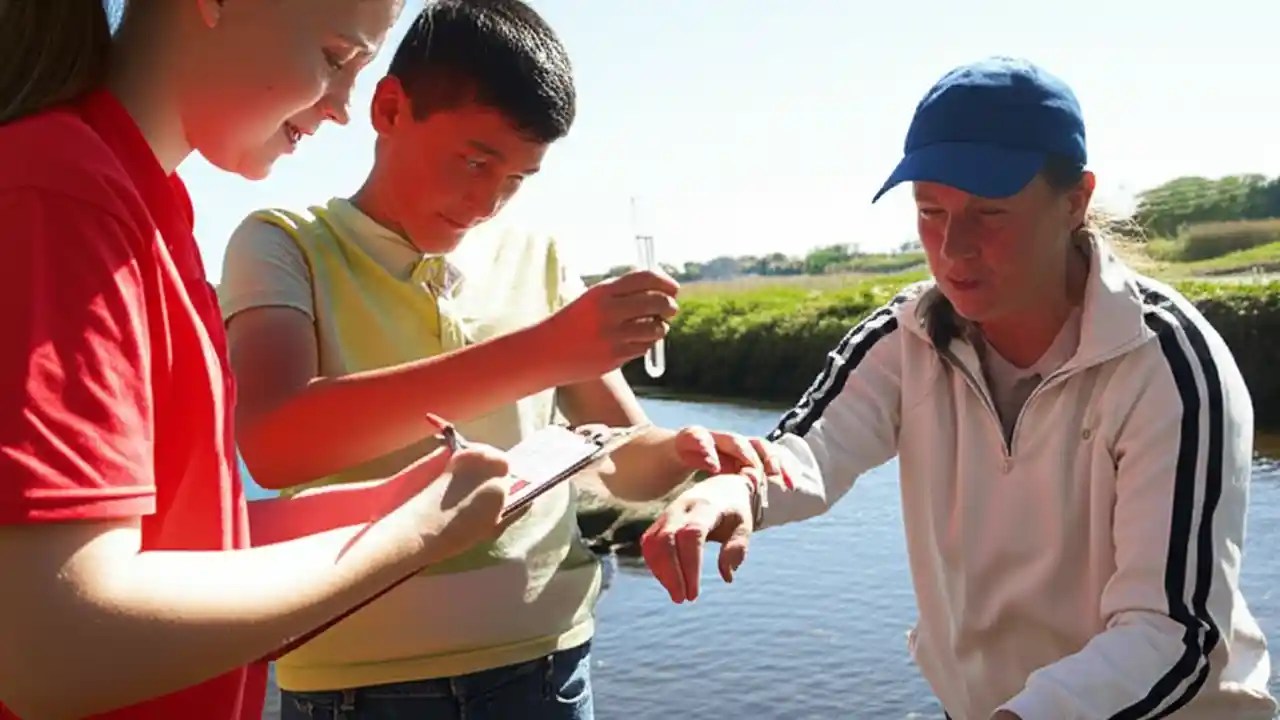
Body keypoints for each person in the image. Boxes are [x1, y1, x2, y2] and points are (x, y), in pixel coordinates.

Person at [640, 56, 1278, 719]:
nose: (953, 248)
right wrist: (736, 488)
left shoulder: (1167, 363)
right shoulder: (906, 336)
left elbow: (1171, 634)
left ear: (1075, 201)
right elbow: (810, 449)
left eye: (990, 212)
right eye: (930, 211)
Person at [216, 2, 767, 718]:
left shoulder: (539, 260)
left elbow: (617, 454)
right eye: (475, 160)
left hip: (548, 669)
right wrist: (544, 351)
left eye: (517, 178)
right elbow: (275, 442)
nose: (487, 201)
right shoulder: (282, 244)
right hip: (352, 683)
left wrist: (686, 458)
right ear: (389, 108)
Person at [0, 1, 536, 718]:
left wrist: (382, 510)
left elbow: (182, 542)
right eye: (336, 57)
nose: (345, 108)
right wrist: (410, 541)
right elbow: (52, 648)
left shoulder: (149, 205)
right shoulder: (61, 192)